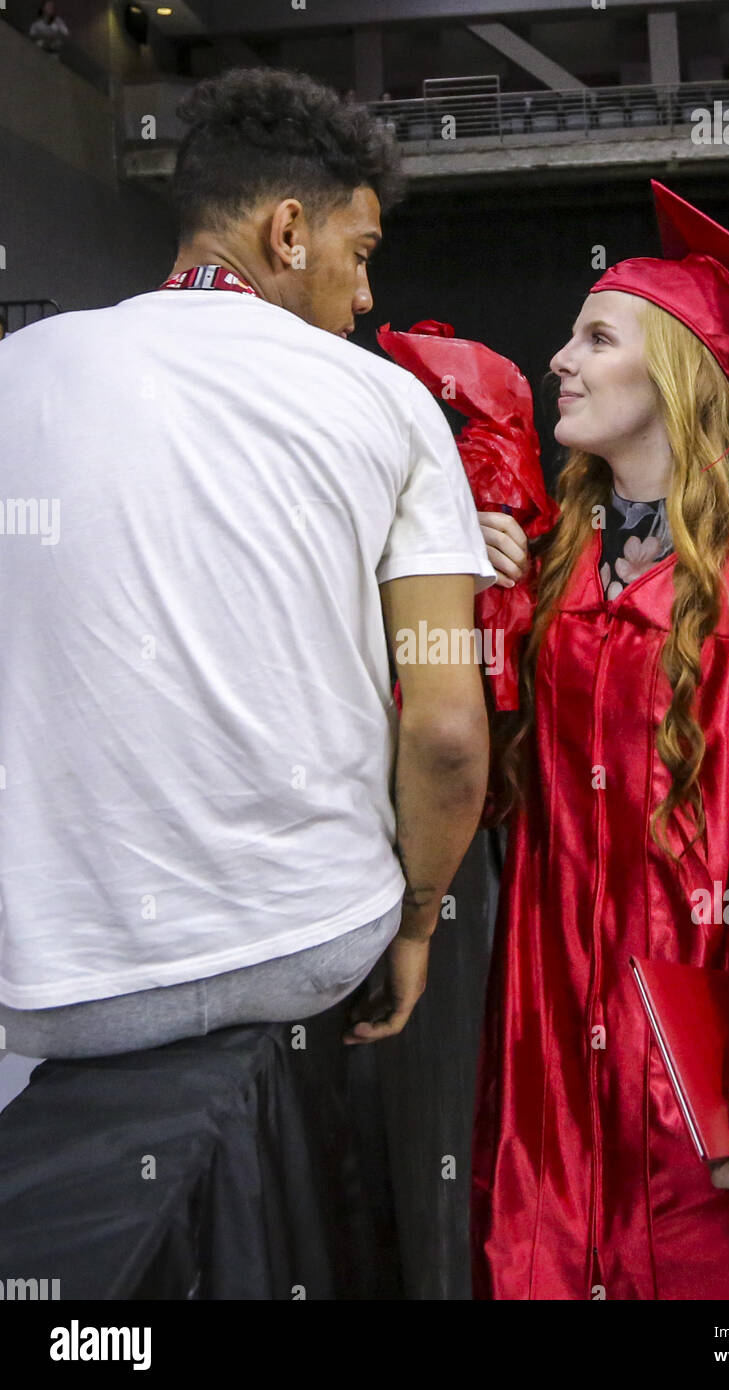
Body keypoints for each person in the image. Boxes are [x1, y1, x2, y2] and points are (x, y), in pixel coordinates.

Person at [0, 68, 494, 1060]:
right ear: (285, 232)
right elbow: (445, 733)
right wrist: (415, 922)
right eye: (358, 258)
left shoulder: (18, 372)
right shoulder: (387, 403)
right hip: (311, 944)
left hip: (47, 981)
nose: (363, 298)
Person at [470, 182, 729, 1301]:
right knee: (543, 1259)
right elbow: (487, 764)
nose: (558, 358)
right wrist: (470, 582)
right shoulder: (559, 564)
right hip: (554, 1012)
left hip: (710, 1013)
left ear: (674, 375)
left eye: (594, 337)